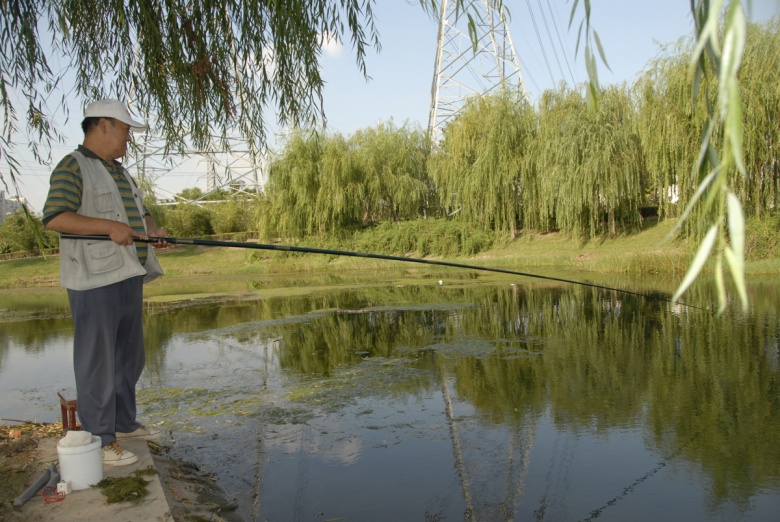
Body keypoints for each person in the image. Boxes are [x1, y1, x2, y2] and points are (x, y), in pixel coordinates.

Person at [43, 99, 169, 467]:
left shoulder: (120, 171)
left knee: (130, 357)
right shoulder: (73, 166)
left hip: (129, 272)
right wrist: (108, 227)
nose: (129, 138)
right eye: (127, 130)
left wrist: (152, 230)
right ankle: (100, 439)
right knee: (97, 361)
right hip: (95, 280)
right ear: (103, 125)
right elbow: (55, 218)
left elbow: (138, 213)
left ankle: (124, 424)